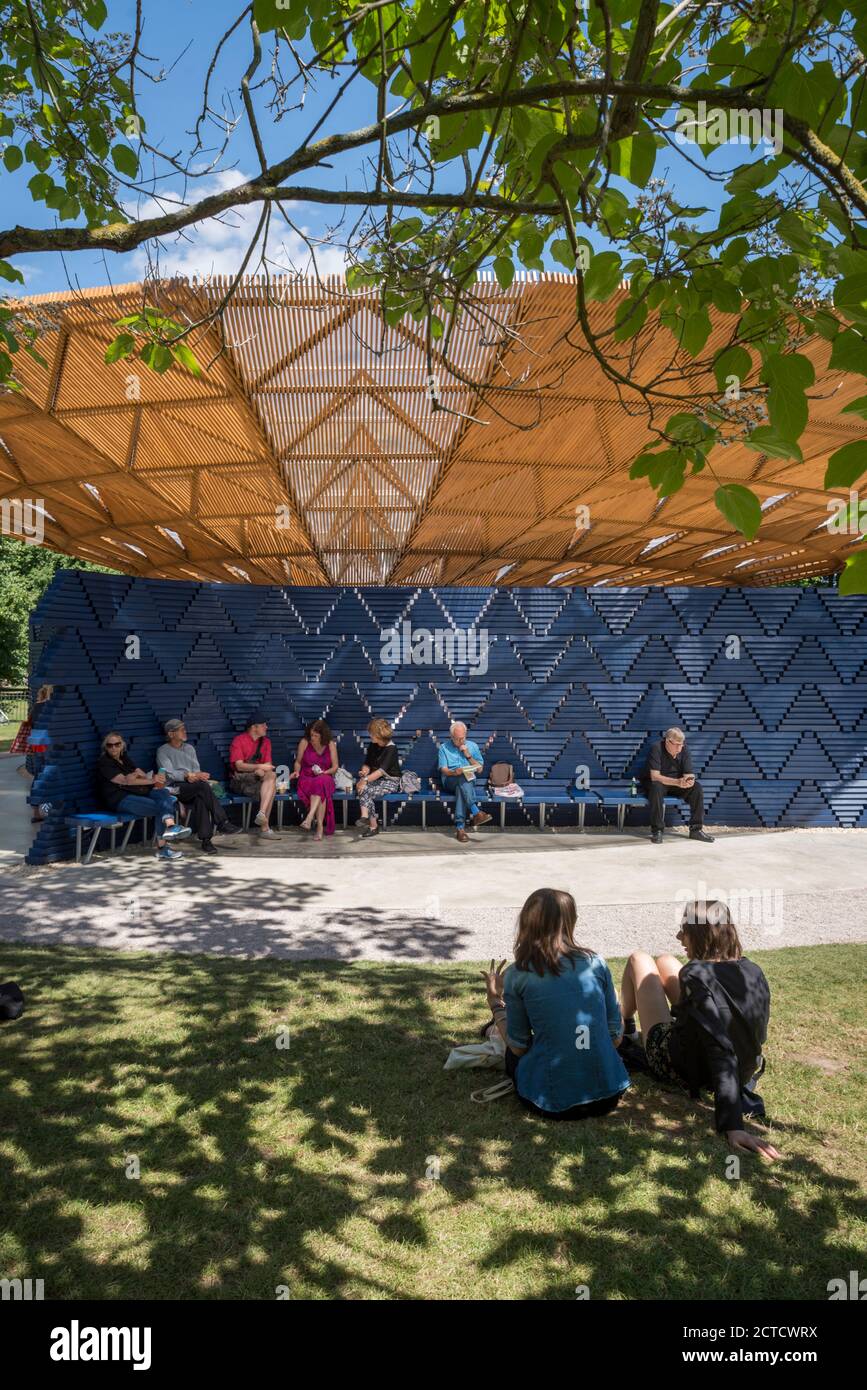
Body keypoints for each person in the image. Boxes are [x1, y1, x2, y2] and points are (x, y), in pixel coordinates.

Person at [619, 900, 780, 1161]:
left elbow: (720, 1048)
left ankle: (623, 1026)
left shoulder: (694, 974)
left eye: (684, 929)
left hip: (689, 1068)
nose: (679, 935)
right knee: (666, 960)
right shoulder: (753, 970)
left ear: (700, 933)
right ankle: (627, 1025)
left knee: (640, 959)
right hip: (742, 1066)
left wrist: (732, 1125)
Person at [481, 888, 629, 1120]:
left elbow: (519, 1045)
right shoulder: (596, 963)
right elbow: (616, 1037)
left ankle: (492, 1029)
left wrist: (496, 1002)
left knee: (512, 1050)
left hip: (551, 1100)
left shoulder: (518, 974)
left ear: (526, 923)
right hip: (609, 1093)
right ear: (572, 921)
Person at [95, 731, 192, 863]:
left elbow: (139, 774)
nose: (113, 748)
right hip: (120, 799)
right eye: (110, 745)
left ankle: (169, 826)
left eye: (117, 744)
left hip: (136, 792)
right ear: (105, 747)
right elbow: (124, 781)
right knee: (162, 806)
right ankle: (164, 845)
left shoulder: (124, 758)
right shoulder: (104, 762)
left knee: (163, 793)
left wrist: (146, 778)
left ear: (122, 745)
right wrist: (148, 779)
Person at [156, 719, 240, 855]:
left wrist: (196, 775)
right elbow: (168, 774)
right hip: (174, 789)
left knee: (201, 798)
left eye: (184, 728)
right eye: (181, 729)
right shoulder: (163, 751)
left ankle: (206, 840)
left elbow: (196, 769)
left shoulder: (189, 748)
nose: (185, 732)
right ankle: (222, 822)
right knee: (202, 788)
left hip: (193, 786)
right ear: (171, 734)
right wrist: (186, 775)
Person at [641, 726, 714, 844]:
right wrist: (678, 782)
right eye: (677, 744)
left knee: (697, 788)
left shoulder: (684, 750)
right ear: (667, 741)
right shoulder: (657, 748)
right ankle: (657, 831)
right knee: (656, 787)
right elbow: (655, 776)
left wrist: (689, 781)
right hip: (658, 782)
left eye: (682, 744)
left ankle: (696, 829)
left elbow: (689, 773)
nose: (680, 747)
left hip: (677, 784)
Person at [438, 721, 492, 843]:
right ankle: (476, 812)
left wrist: (468, 755)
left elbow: (479, 769)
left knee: (461, 787)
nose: (461, 741)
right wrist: (453, 773)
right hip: (450, 779)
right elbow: (444, 770)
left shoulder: (472, 746)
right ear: (451, 737)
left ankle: (460, 829)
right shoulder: (444, 748)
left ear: (466, 735)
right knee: (461, 779)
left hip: (468, 781)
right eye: (457, 739)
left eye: (463, 738)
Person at [229, 713, 278, 837]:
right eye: (263, 725)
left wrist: (262, 771)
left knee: (271, 776)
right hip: (240, 780)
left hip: (258, 779)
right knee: (271, 788)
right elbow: (239, 766)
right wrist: (258, 767)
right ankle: (264, 828)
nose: (266, 727)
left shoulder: (266, 742)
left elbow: (268, 765)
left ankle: (261, 813)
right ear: (253, 727)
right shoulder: (239, 740)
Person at [289, 719, 339, 840]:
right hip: (306, 777)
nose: (312, 738)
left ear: (323, 735)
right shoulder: (304, 742)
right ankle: (319, 827)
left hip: (325, 776)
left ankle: (309, 818)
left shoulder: (330, 744)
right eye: (311, 734)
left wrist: (324, 772)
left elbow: (335, 767)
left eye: (316, 736)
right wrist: (296, 771)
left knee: (321, 781)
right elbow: (298, 762)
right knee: (320, 786)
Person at [355, 717, 401, 838]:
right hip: (376, 779)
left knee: (366, 790)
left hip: (390, 781)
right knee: (363, 789)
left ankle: (371, 824)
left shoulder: (391, 748)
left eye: (372, 733)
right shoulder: (373, 745)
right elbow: (368, 763)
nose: (370, 735)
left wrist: (364, 780)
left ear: (379, 734)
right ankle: (366, 819)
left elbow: (381, 771)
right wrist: (364, 771)